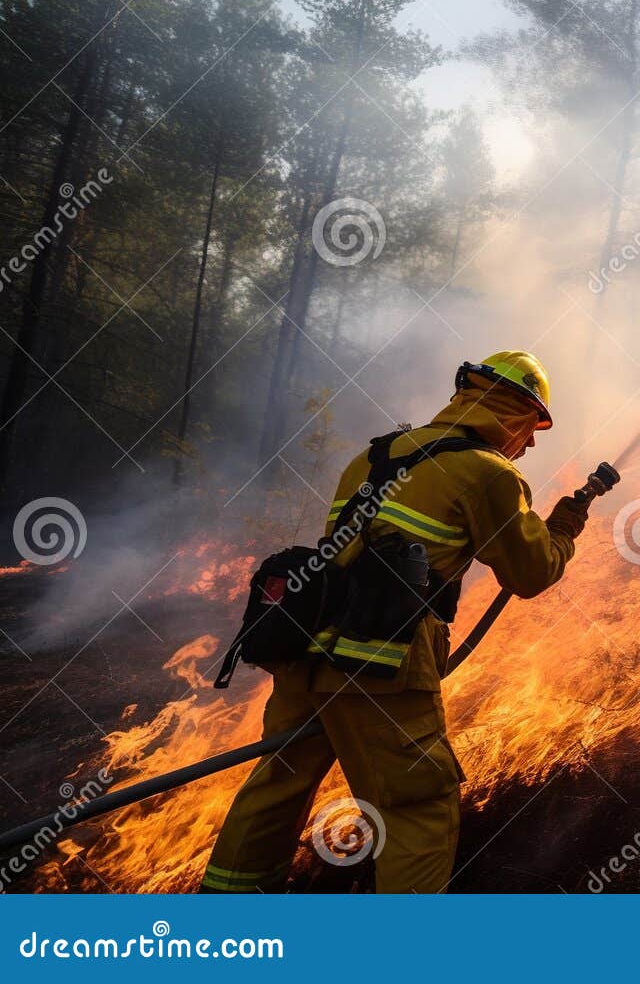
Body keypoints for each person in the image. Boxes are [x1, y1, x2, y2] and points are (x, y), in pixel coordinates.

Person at [203, 351, 589, 893]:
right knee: (418, 805)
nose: (528, 445)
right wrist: (564, 532)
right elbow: (530, 574)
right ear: (512, 412)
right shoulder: (489, 474)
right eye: (531, 430)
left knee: (278, 783)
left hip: (305, 652)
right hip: (380, 663)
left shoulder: (375, 455)